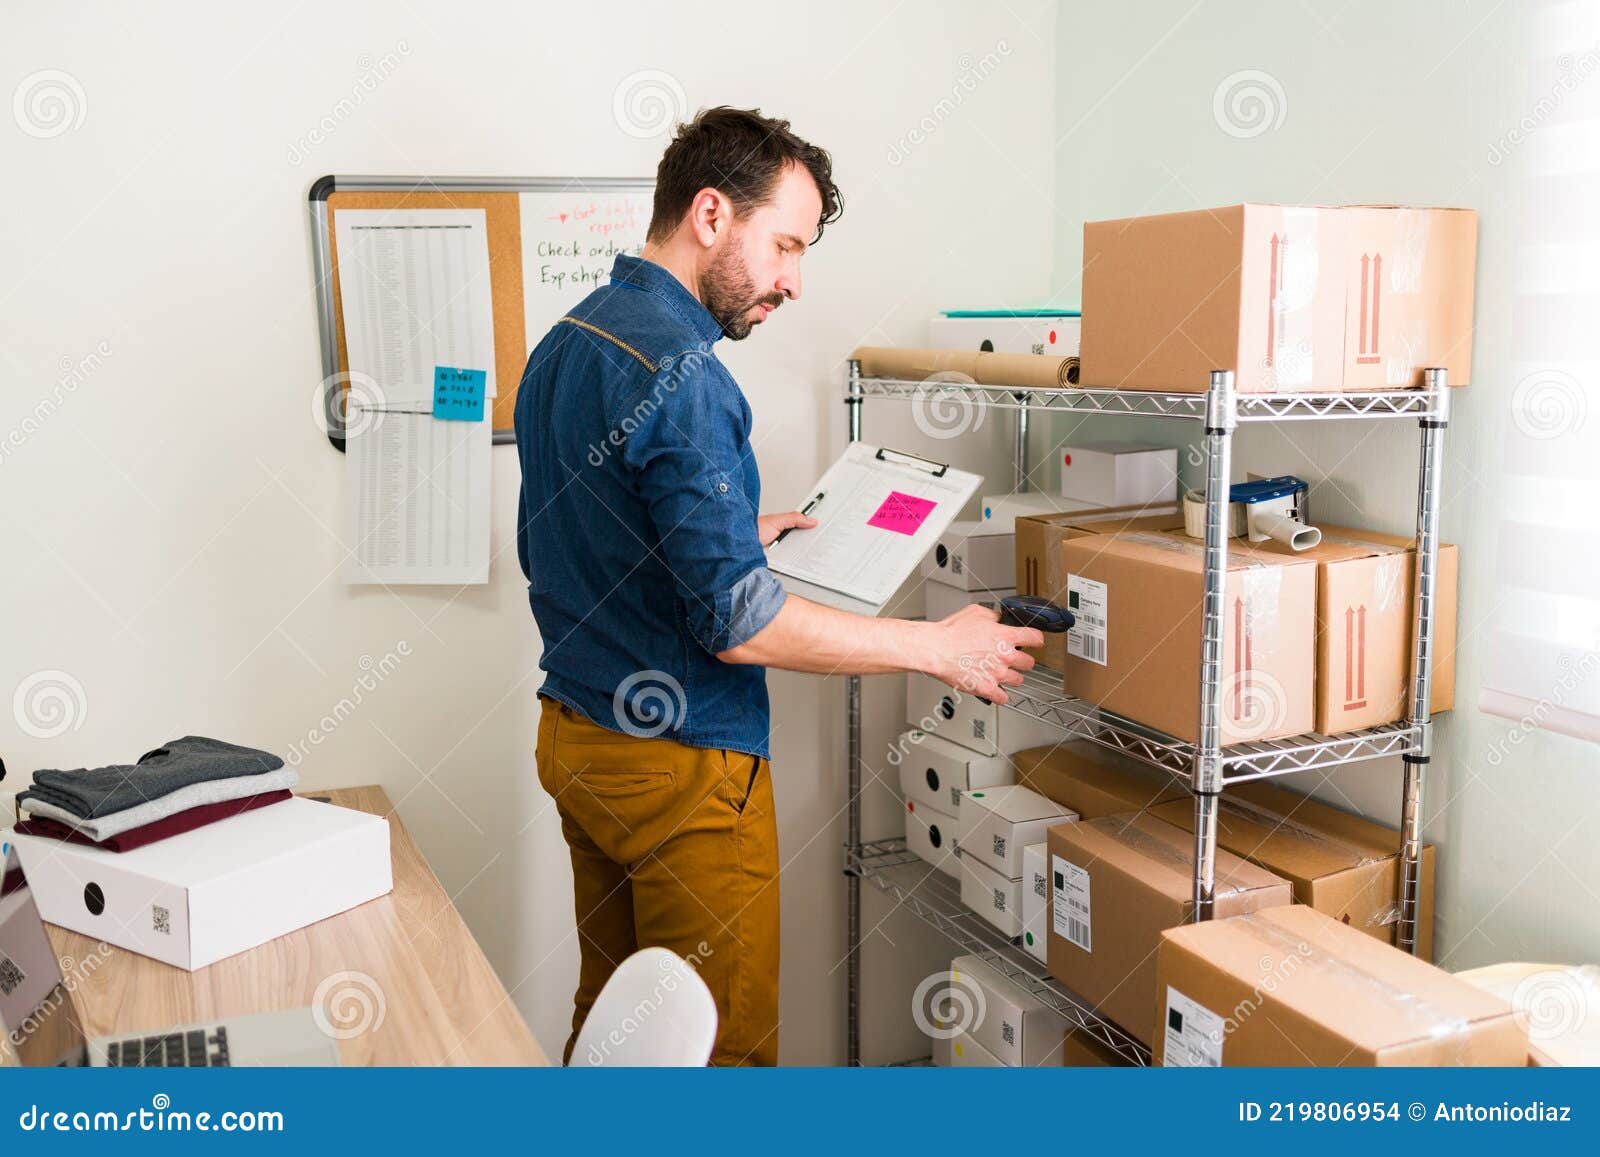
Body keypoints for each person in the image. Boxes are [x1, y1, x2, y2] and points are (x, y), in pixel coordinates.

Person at [514, 106, 1040, 1066]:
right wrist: (936, 646)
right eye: (785, 245)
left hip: (582, 741)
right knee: (724, 1052)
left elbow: (576, 528)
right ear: (710, 215)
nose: (794, 281)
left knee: (618, 1031)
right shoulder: (686, 374)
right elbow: (740, 625)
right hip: (680, 770)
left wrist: (720, 532)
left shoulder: (567, 342)